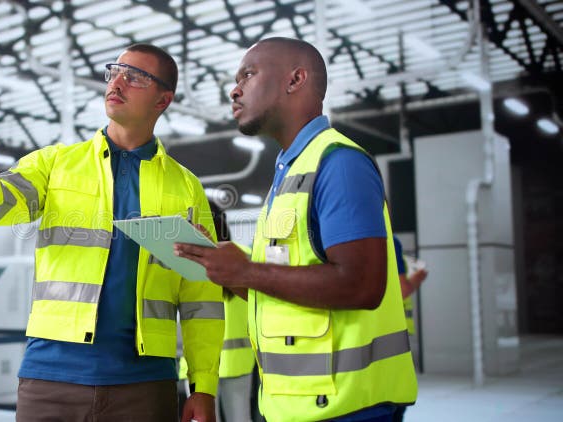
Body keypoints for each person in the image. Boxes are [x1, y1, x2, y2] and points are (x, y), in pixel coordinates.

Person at [0, 43, 224, 422]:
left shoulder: (186, 187)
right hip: (52, 378)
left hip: (145, 384)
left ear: (163, 100)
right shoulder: (56, 164)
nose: (117, 82)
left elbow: (201, 296)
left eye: (134, 77)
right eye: (114, 71)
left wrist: (204, 386)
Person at [174, 37, 418, 421]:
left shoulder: (338, 164)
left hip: (347, 407)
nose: (234, 90)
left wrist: (248, 270)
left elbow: (363, 285)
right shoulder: (289, 175)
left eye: (248, 75)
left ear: (295, 79)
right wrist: (219, 265)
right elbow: (278, 289)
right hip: (297, 404)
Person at [179, 201, 257, 422]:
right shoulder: (246, 257)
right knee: (241, 418)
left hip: (199, 367)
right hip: (238, 362)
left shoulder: (189, 263)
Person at [392, 235, 429, 422]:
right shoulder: (391, 240)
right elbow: (401, 290)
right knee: (396, 398)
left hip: (377, 331)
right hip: (394, 333)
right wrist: (417, 279)